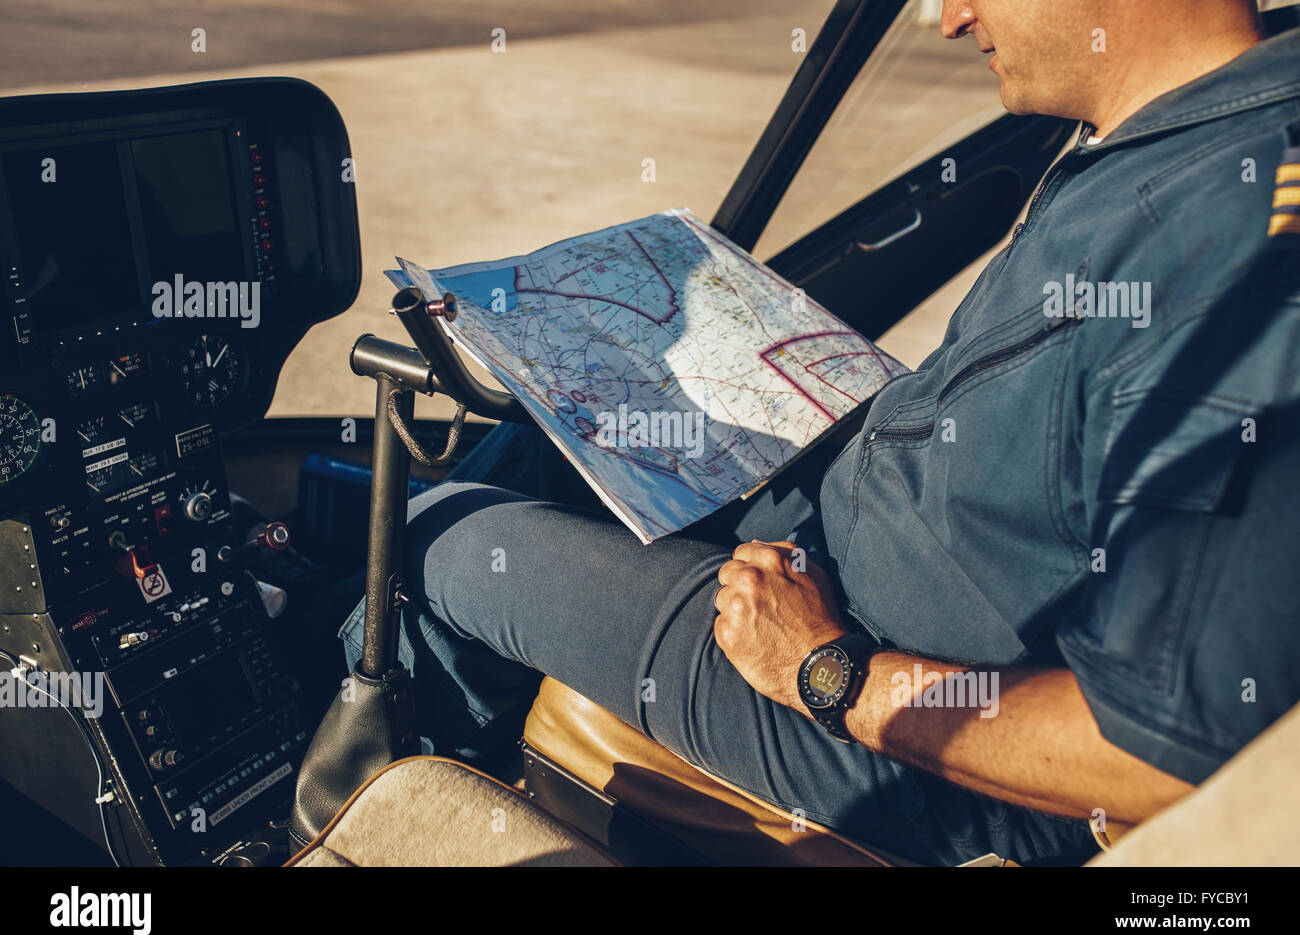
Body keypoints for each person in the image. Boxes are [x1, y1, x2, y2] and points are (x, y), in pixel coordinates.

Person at [338, 0, 1300, 866]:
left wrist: (831, 672)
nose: (949, 17)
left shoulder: (1236, 254)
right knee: (554, 431)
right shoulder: (1158, 137)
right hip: (867, 542)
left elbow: (1160, 749)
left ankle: (359, 803)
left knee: (439, 536)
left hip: (897, 718)